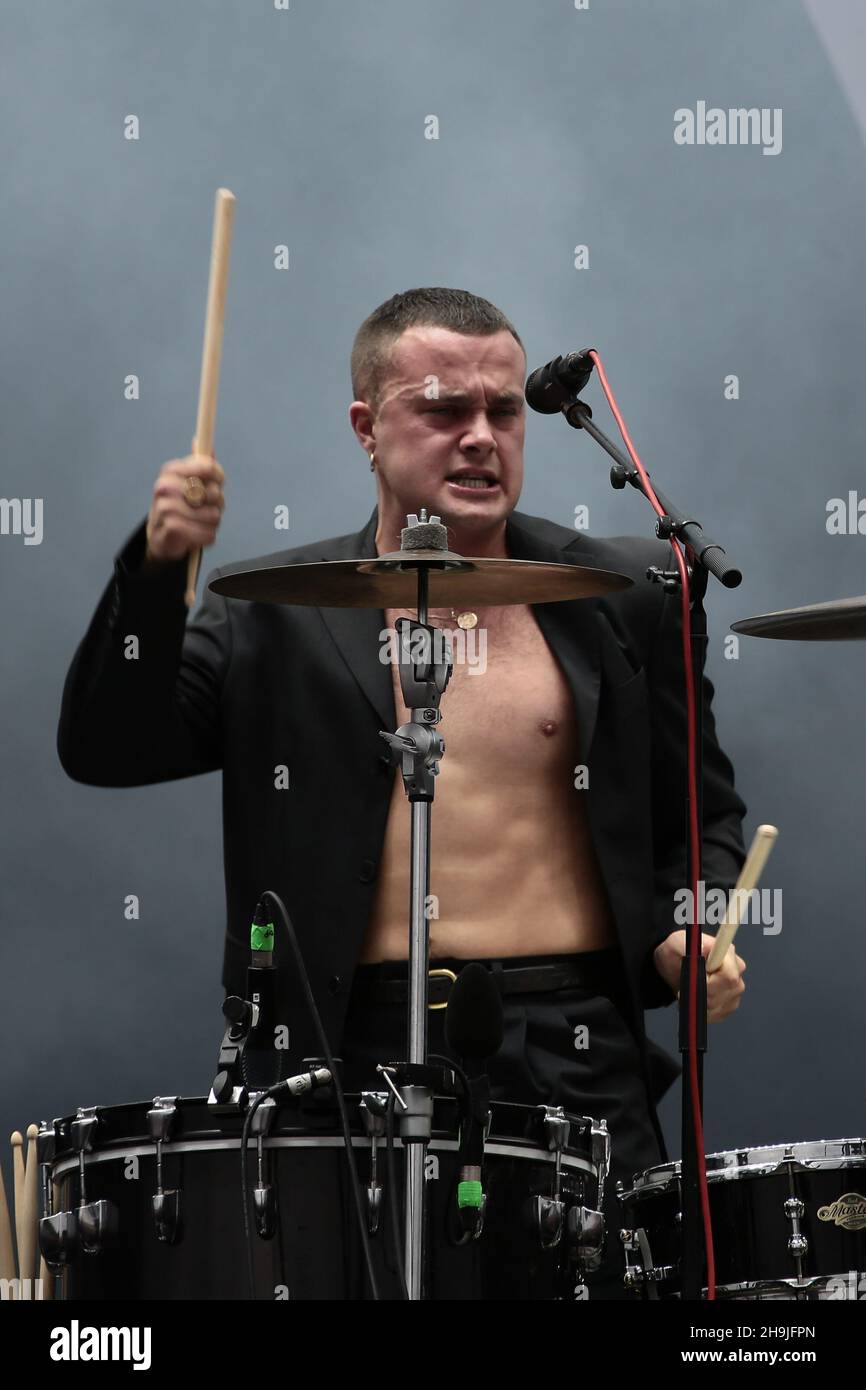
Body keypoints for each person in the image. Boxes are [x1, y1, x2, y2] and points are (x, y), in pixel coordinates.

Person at [58, 287, 747, 1299]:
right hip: (344, 1050)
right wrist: (158, 567)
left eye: (502, 411)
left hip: (574, 1044)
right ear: (366, 428)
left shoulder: (625, 592)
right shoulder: (272, 610)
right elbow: (107, 745)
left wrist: (693, 925)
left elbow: (705, 813)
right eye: (440, 410)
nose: (478, 437)